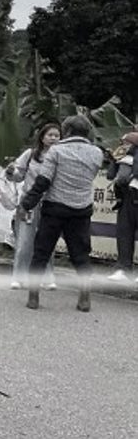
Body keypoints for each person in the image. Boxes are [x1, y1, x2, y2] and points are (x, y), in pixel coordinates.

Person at [20, 115, 105, 312]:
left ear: (66, 132)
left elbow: (43, 181)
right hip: (81, 209)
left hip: (55, 208)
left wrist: (27, 203)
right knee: (81, 255)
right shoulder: (96, 153)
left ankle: (33, 296)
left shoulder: (56, 151)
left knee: (41, 253)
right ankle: (84, 298)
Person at [4, 123, 60, 290]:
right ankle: (18, 277)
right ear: (42, 137)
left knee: (47, 242)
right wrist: (10, 172)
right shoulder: (30, 155)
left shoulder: (61, 156)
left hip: (50, 203)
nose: (53, 138)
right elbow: (18, 176)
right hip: (29, 203)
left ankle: (47, 278)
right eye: (50, 135)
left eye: (57, 135)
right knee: (24, 241)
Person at [107, 132, 138, 283]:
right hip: (128, 197)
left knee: (126, 233)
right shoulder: (123, 154)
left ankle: (124, 268)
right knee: (124, 233)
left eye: (126, 143)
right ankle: (123, 268)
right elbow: (115, 176)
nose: (123, 146)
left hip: (131, 193)